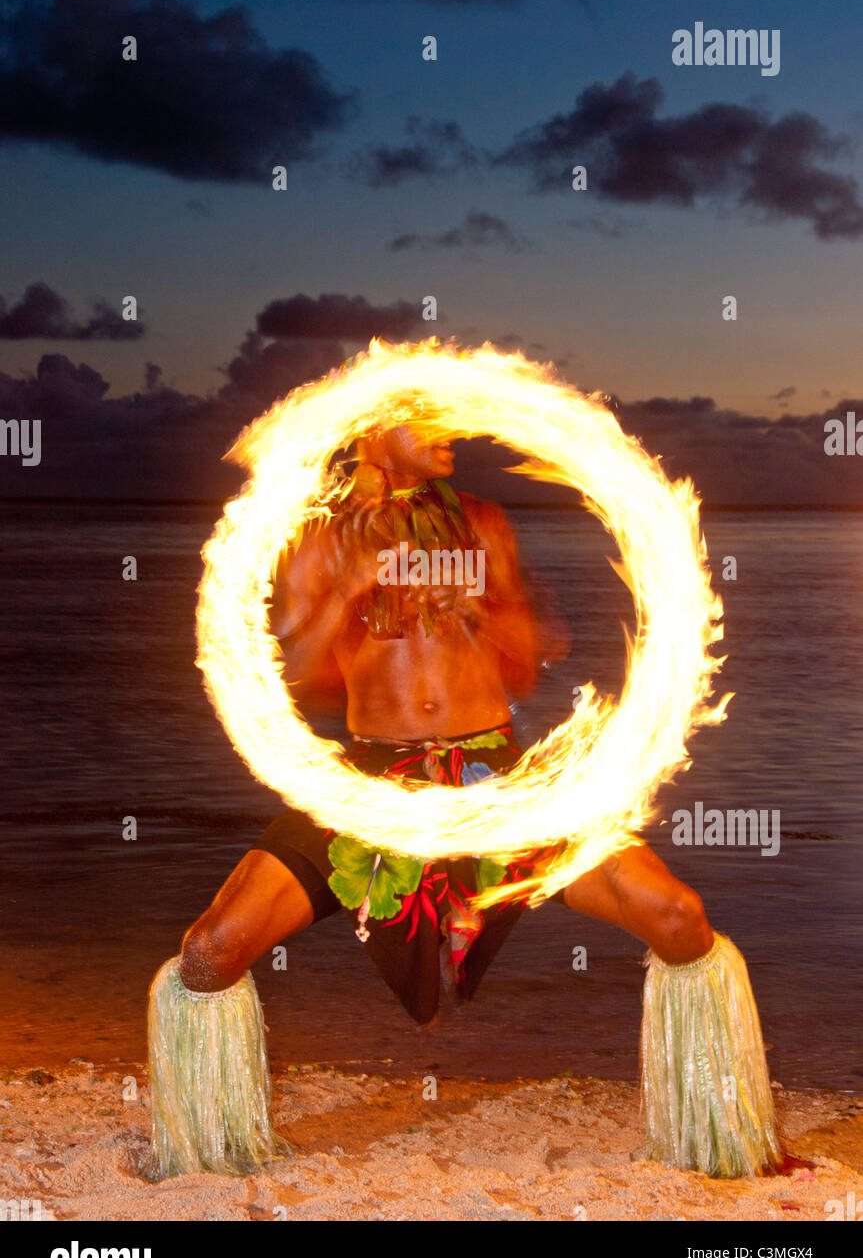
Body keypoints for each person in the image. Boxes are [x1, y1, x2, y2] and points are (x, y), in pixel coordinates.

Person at [147, 424, 782, 1181]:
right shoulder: (319, 533)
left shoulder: (480, 521)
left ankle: (720, 1137)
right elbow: (301, 668)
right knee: (210, 952)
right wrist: (350, 592)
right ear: (376, 427)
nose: (450, 427)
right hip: (371, 790)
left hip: (497, 783)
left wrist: (479, 611)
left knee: (677, 918)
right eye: (425, 415)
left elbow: (535, 651)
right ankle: (208, 1152)